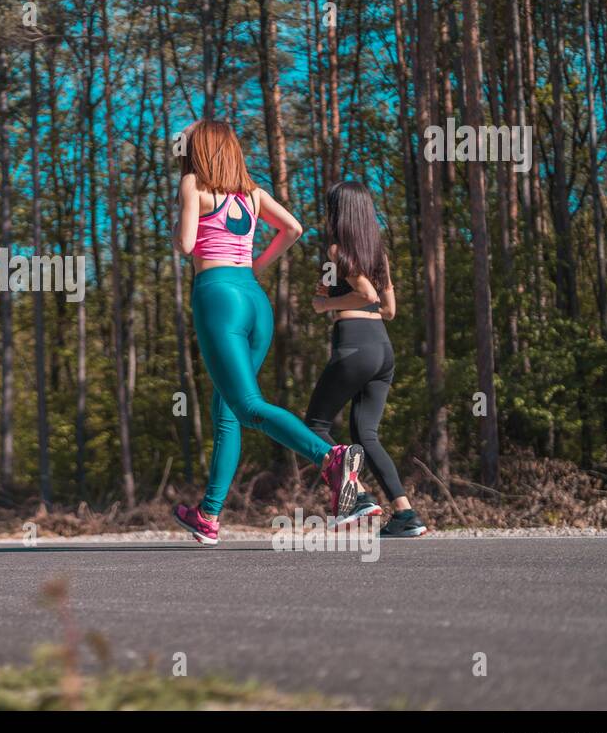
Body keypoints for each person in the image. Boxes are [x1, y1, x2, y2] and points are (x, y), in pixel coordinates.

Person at [170, 121, 364, 546]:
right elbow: (292, 229)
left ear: (198, 151)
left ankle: (331, 459)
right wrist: (256, 267)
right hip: (255, 301)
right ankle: (208, 515)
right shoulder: (252, 194)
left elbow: (186, 245)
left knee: (248, 406)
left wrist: (180, 213)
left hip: (218, 296)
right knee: (228, 412)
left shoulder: (192, 185)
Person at [304, 181, 427, 538]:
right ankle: (406, 515)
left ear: (338, 213)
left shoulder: (337, 249)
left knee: (313, 426)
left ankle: (357, 496)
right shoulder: (378, 254)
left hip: (354, 346)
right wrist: (331, 293)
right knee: (365, 433)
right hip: (382, 350)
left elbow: (367, 294)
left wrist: (326, 304)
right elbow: (388, 310)